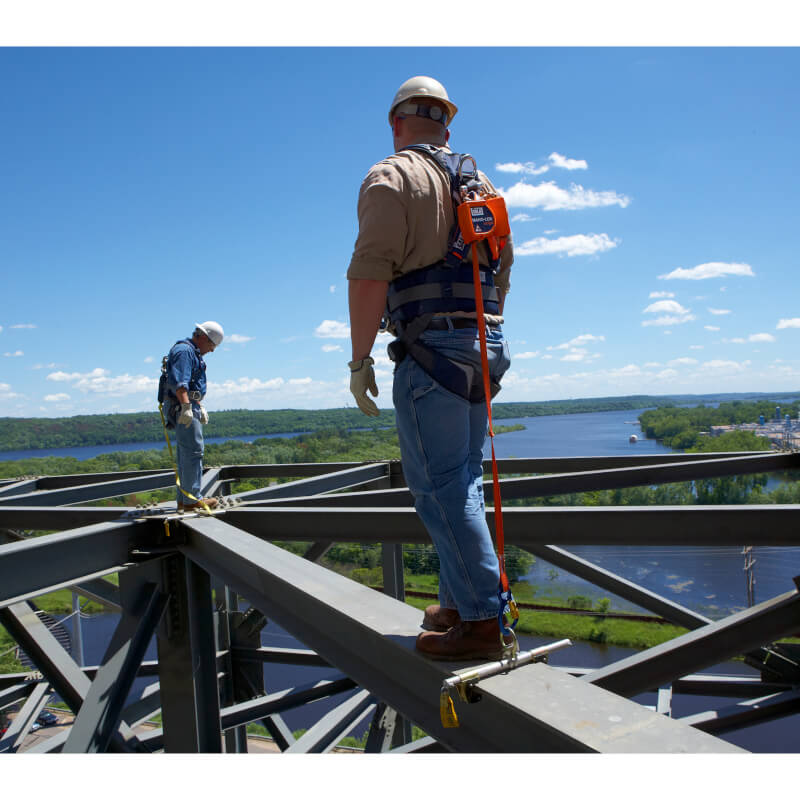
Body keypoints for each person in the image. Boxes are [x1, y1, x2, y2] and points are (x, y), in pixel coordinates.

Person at [346, 76, 514, 660]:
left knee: (440, 490)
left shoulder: (391, 175)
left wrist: (361, 358)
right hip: (484, 346)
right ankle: (461, 599)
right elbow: (503, 272)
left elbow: (370, 271)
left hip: (432, 349)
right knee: (463, 481)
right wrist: (477, 333)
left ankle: (483, 620)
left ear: (397, 123)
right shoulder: (481, 183)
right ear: (447, 122)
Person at [162, 321, 224, 511]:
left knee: (186, 452)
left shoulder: (188, 351)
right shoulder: (185, 351)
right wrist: (187, 407)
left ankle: (185, 499)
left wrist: (198, 405)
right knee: (193, 452)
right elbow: (181, 383)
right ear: (204, 337)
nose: (212, 351)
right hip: (183, 406)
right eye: (212, 346)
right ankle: (192, 500)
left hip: (185, 404)